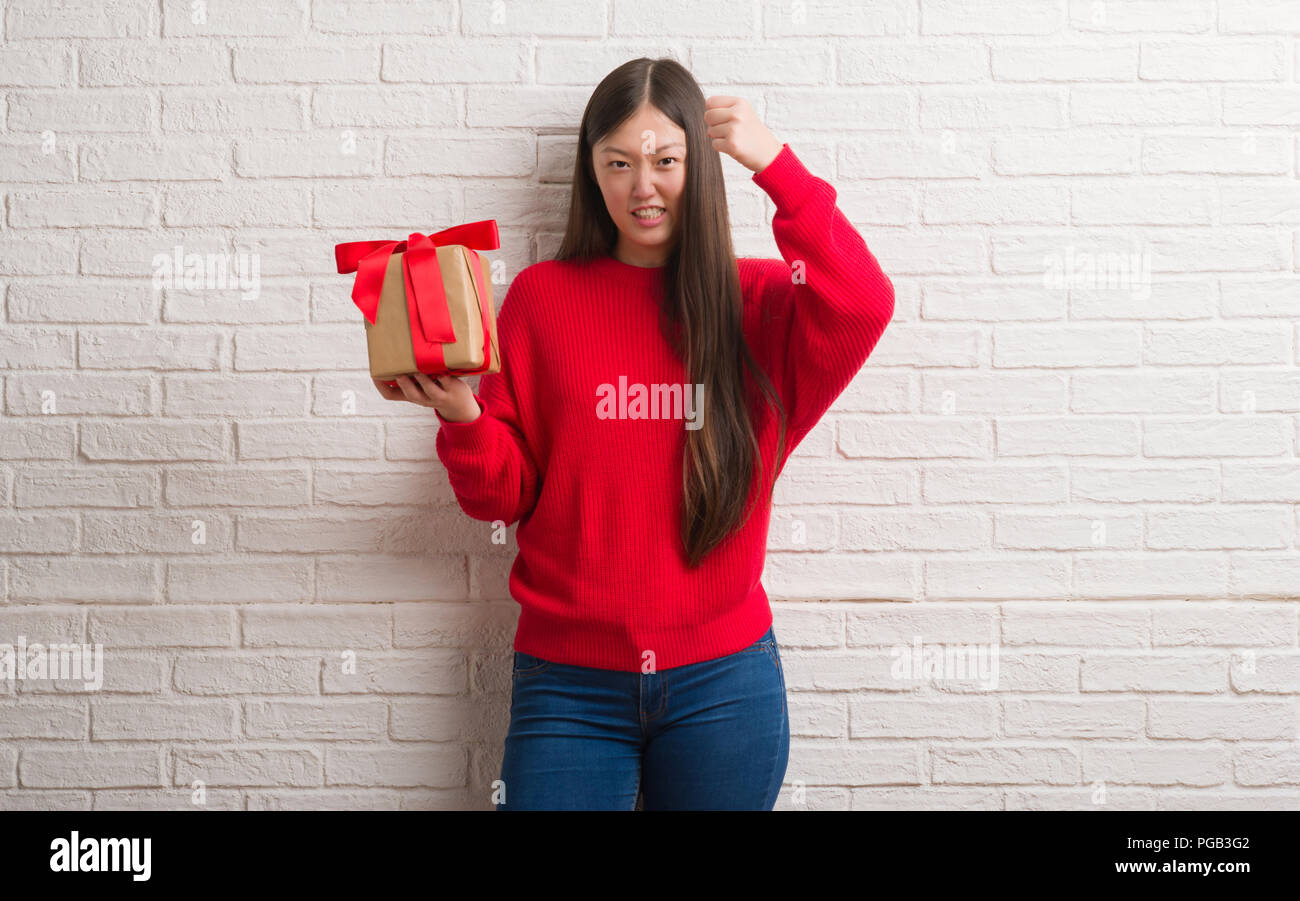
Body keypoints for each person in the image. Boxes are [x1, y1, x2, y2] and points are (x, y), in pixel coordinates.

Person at [373, 57, 895, 810]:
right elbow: (502, 497)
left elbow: (863, 303)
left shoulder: (756, 303)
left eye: (666, 161)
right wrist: (461, 415)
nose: (641, 186)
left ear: (699, 167)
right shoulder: (539, 301)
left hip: (725, 683)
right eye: (618, 163)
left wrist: (776, 166)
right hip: (568, 685)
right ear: (592, 172)